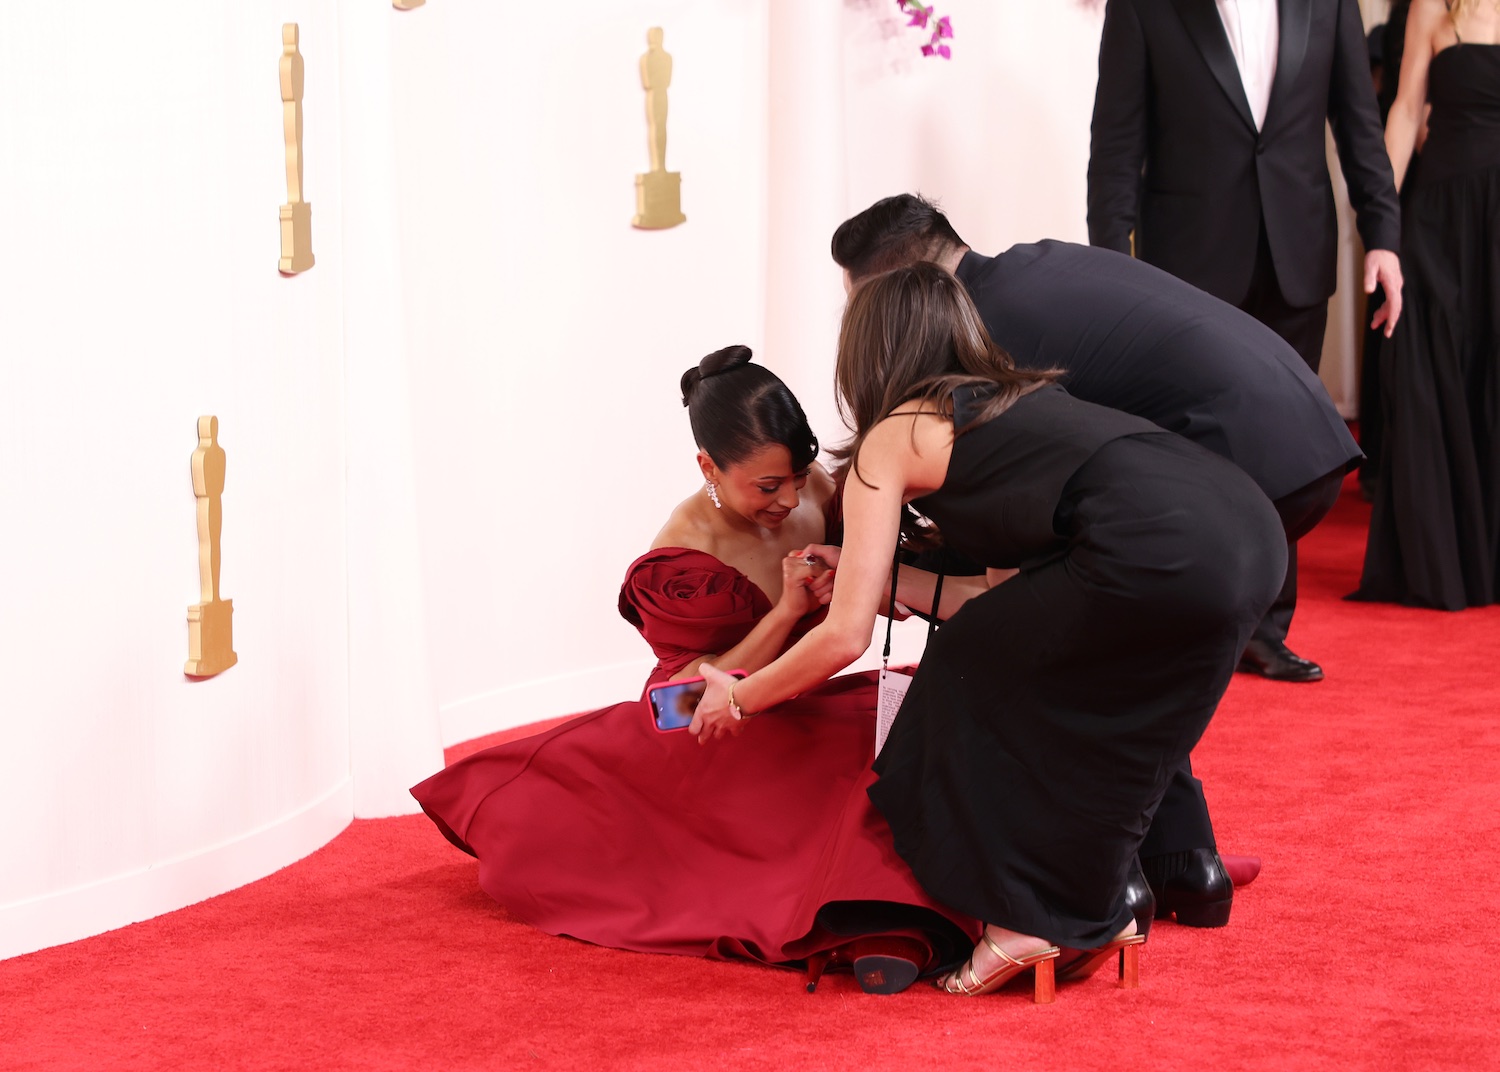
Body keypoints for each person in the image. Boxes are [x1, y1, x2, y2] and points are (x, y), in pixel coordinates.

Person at [691, 265, 1285, 1001]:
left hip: (1152, 547)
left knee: (961, 677)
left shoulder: (895, 434)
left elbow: (845, 638)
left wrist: (742, 696)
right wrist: (872, 577)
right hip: (1247, 535)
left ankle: (1019, 924)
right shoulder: (1026, 401)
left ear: (869, 353)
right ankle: (1105, 909)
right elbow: (995, 598)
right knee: (1101, 715)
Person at [830, 193, 1355, 927]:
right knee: (1125, 643)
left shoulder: (983, 331)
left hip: (1229, 465)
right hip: (1306, 436)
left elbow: (1016, 502)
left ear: (899, 288)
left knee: (1086, 644)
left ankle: (1104, 874)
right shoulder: (1036, 268)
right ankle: (1181, 862)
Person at [410, 346, 981, 994]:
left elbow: (856, 600)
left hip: (797, 693)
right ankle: (880, 918)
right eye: (768, 486)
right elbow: (685, 694)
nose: (790, 496)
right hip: (697, 720)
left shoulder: (818, 488)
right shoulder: (678, 555)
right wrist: (786, 612)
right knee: (844, 752)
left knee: (917, 705)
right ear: (708, 466)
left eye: (797, 473)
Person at [1087, 0, 1404, 374]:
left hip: (1299, 266)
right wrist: (1114, 279)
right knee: (1194, 428)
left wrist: (1383, 237)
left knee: (1293, 424)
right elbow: (1116, 155)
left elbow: (1359, 123)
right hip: (1188, 276)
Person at [1351, 0, 1500, 609]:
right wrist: (1381, 225)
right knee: (1431, 362)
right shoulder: (1432, 8)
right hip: (1439, 217)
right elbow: (1407, 111)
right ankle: (1446, 561)